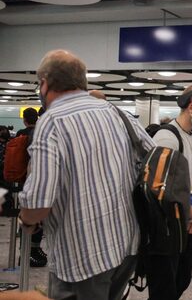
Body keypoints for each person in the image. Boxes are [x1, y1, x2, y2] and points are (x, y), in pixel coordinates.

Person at [19, 50, 155, 299]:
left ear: (45, 83)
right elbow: (156, 160)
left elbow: (39, 203)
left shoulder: (52, 122)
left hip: (83, 255)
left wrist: (26, 221)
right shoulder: (119, 114)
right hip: (127, 245)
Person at [149, 84, 192, 298]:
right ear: (191, 107)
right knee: (163, 288)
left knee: (181, 280)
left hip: (187, 226)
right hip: (166, 228)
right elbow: (158, 187)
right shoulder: (167, 137)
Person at [15, 107, 48, 267]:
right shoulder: (39, 133)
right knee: (33, 217)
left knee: (34, 217)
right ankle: (28, 253)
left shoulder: (25, 132)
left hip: (26, 180)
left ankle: (31, 250)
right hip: (33, 181)